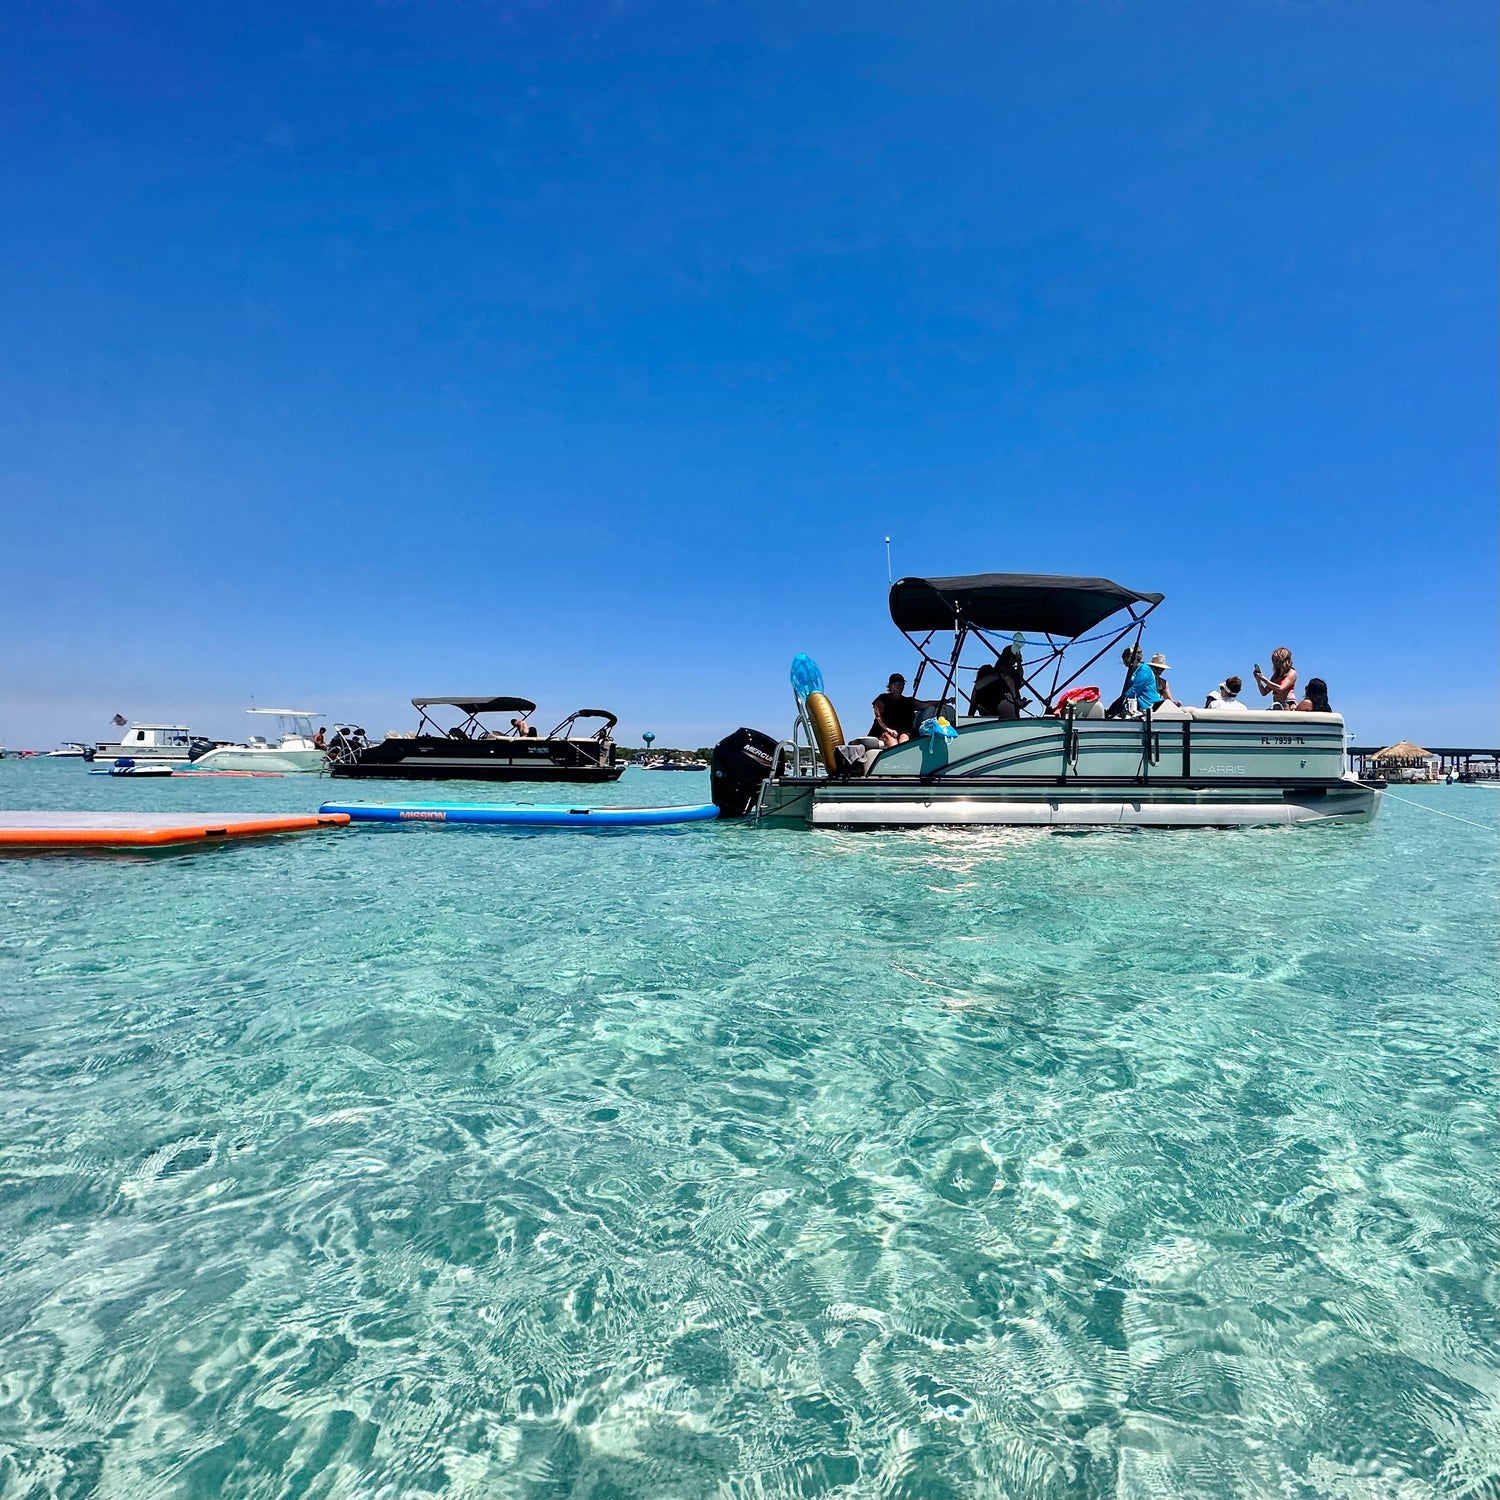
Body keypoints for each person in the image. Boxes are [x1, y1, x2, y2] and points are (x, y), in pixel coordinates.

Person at [969, 646, 1026, 720]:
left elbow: (972, 706)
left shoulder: (977, 685)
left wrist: (969, 719)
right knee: (1011, 724)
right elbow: (1013, 678)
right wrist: (1015, 699)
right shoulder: (999, 672)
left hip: (984, 708)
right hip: (1003, 702)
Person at [1107, 646, 1160, 718]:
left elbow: (1134, 690)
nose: (1126, 665)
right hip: (1138, 708)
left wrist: (1117, 704)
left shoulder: (1144, 669)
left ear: (1134, 658)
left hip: (1150, 706)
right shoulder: (1133, 671)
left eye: (1127, 662)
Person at [870, 673, 917, 746]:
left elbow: (926, 704)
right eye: (896, 683)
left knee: (904, 738)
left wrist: (939, 702)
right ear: (890, 686)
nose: (899, 686)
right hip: (884, 730)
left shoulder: (908, 701)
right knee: (893, 742)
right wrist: (888, 729)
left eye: (901, 683)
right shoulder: (882, 699)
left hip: (903, 731)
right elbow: (878, 717)